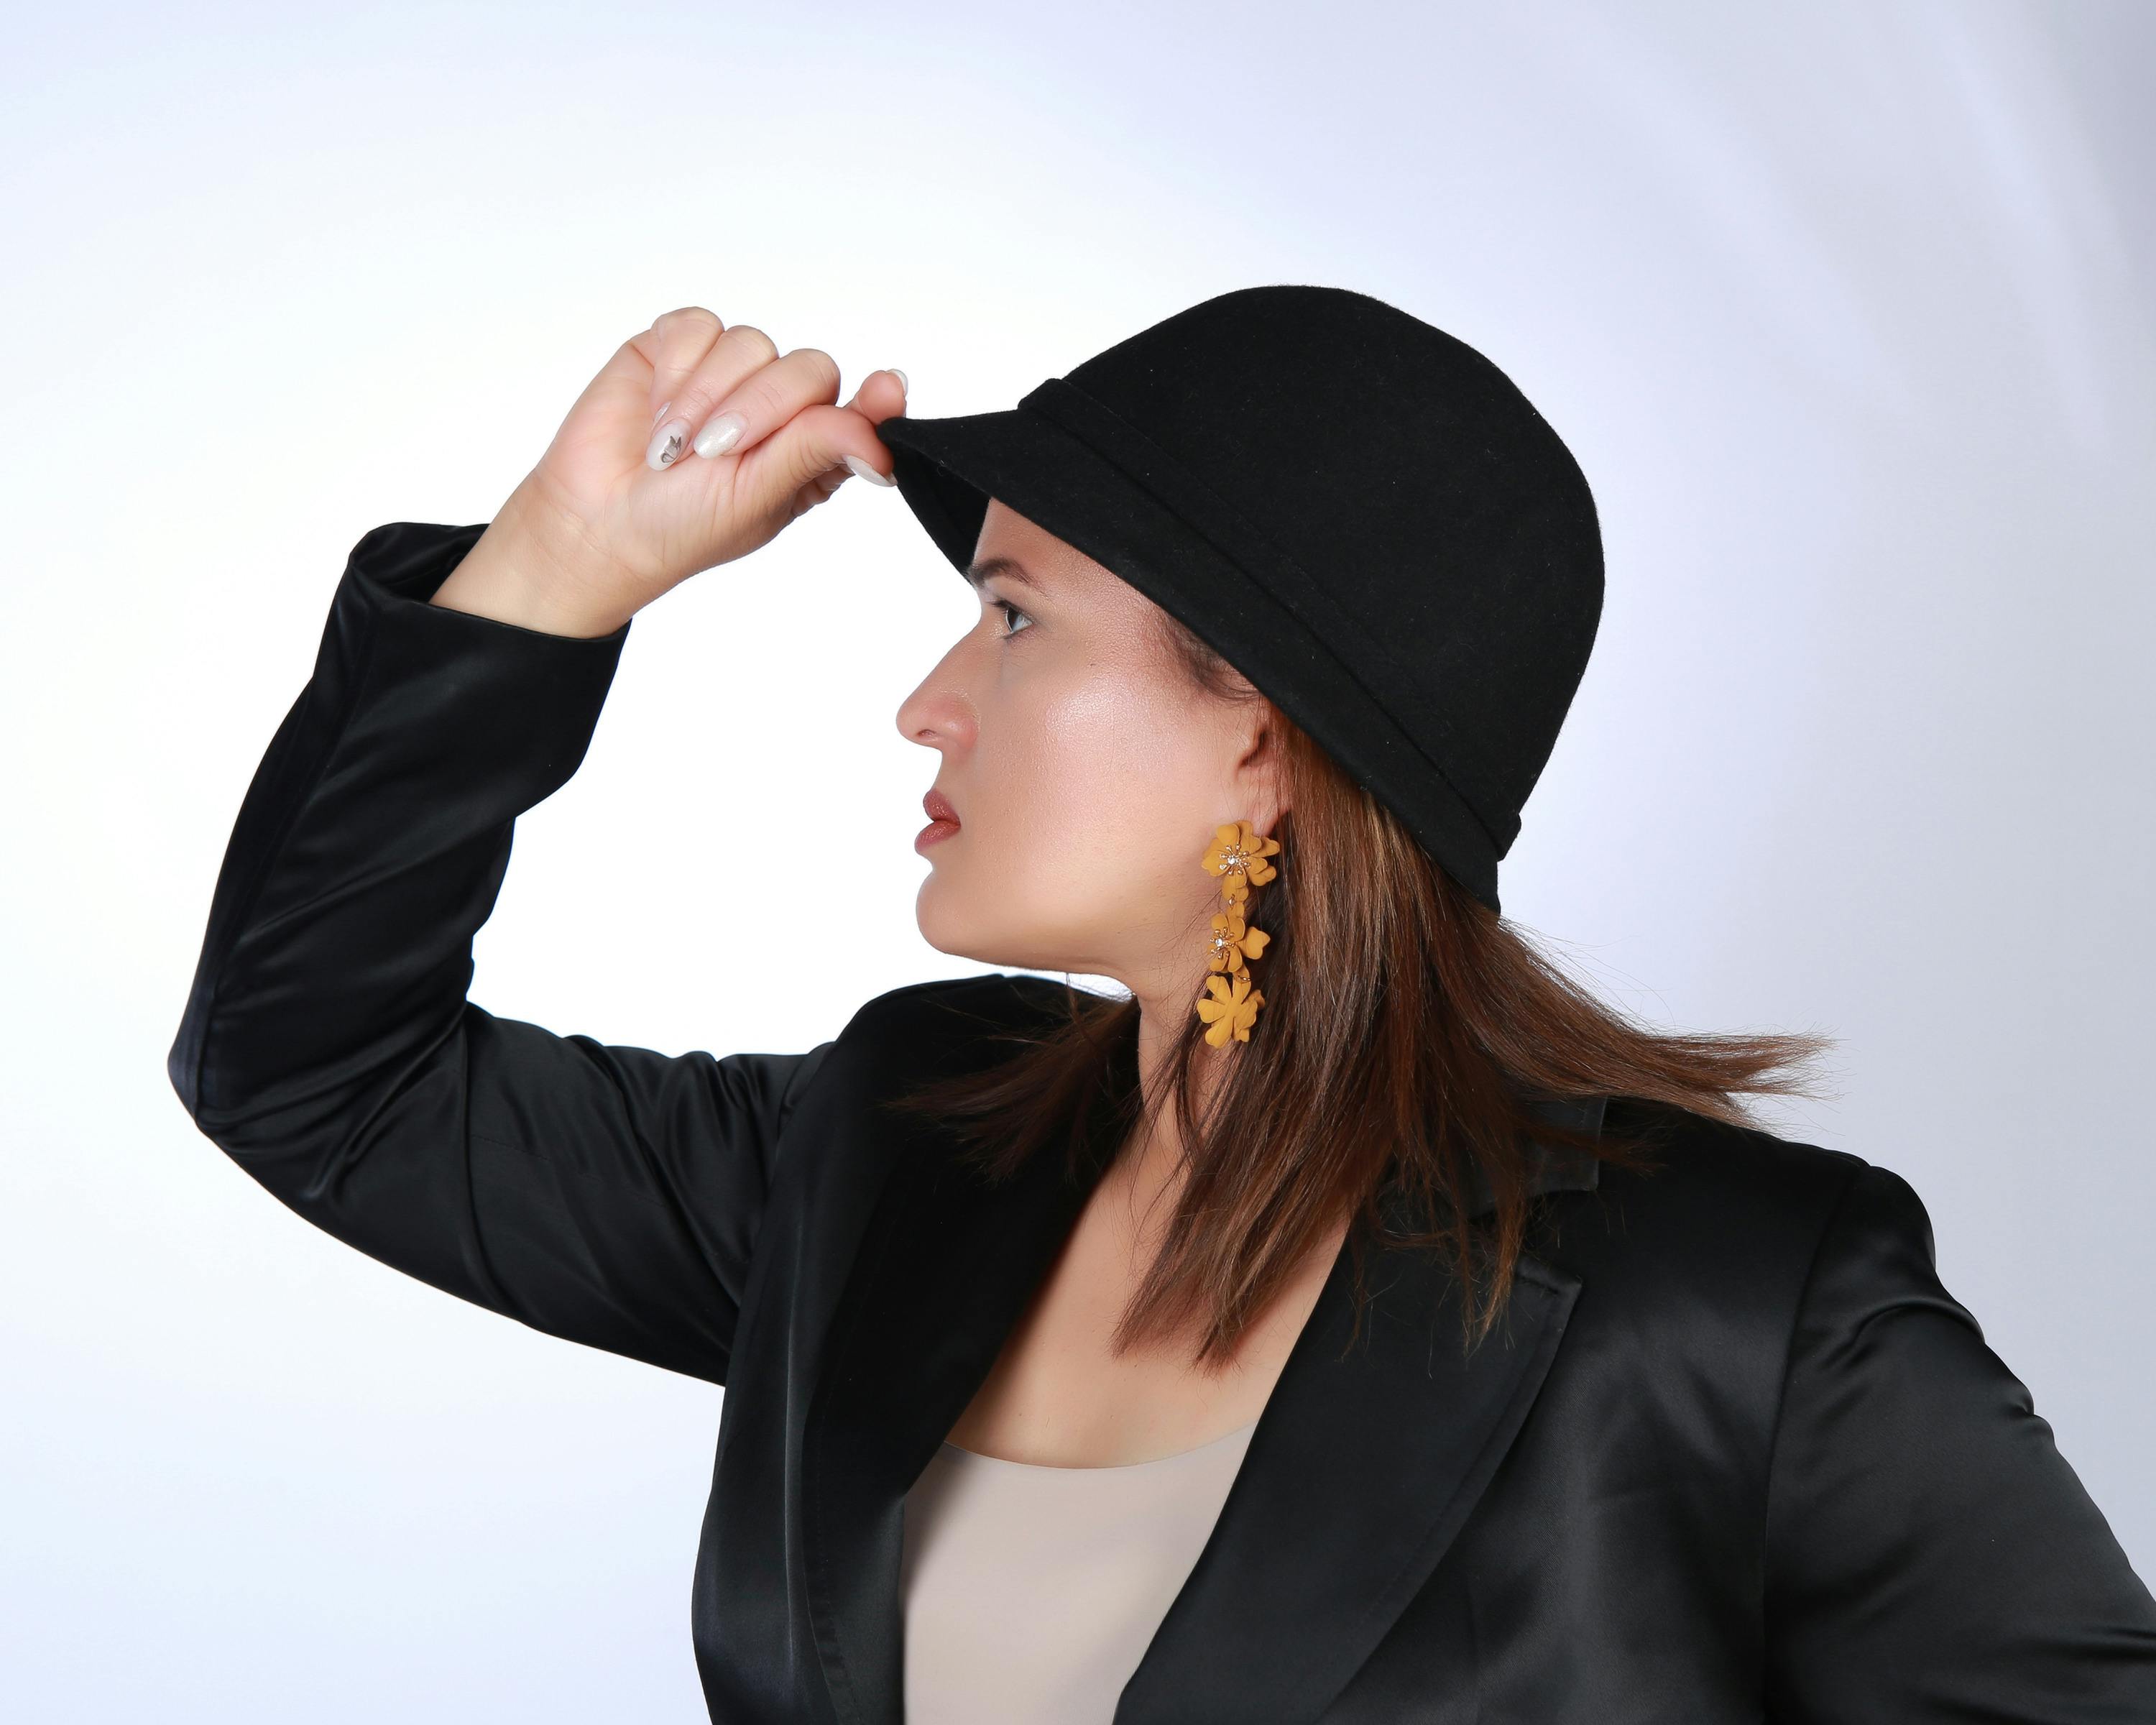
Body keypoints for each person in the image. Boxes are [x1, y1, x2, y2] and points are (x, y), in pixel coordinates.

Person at [167, 288, 2156, 1723]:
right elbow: (313, 1072)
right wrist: (547, 581)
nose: (929, 701)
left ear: (1268, 747)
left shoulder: (1739, 1312)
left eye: (1018, 616)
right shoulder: (883, 1154)